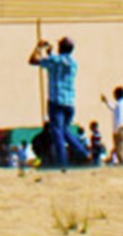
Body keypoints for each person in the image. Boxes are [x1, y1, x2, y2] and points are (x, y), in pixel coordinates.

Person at [27, 36, 82, 169]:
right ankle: (83, 152)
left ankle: (62, 163)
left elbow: (33, 61)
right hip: (69, 102)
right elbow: (58, 63)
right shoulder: (73, 62)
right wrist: (51, 53)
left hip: (56, 101)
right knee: (65, 131)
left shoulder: (54, 60)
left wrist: (39, 47)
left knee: (57, 132)